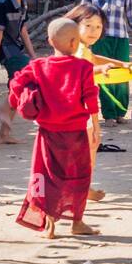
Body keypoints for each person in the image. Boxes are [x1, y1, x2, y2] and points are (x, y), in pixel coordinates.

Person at [9, 18, 100, 239]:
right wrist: (96, 127)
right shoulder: (83, 67)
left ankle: (49, 226)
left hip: (47, 135)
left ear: (50, 40)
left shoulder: (38, 67)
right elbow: (91, 98)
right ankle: (76, 222)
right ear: (74, 43)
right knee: (79, 176)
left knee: (48, 176)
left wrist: (18, 100)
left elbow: (17, 83)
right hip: (76, 134)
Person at [65, 3, 132, 202]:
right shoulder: (76, 50)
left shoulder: (82, 48)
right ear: (75, 25)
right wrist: (100, 70)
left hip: (83, 108)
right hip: (76, 110)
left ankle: (83, 187)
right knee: (87, 148)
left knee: (91, 147)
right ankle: (77, 189)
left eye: (98, 26)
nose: (94, 31)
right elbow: (80, 70)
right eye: (89, 26)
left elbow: (93, 59)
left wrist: (120, 64)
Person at [0, 0, 36, 145]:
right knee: (24, 81)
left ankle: (3, 134)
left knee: (16, 87)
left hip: (16, 48)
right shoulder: (1, 4)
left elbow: (23, 30)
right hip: (7, 51)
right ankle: (3, 110)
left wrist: (33, 55)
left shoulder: (22, 2)